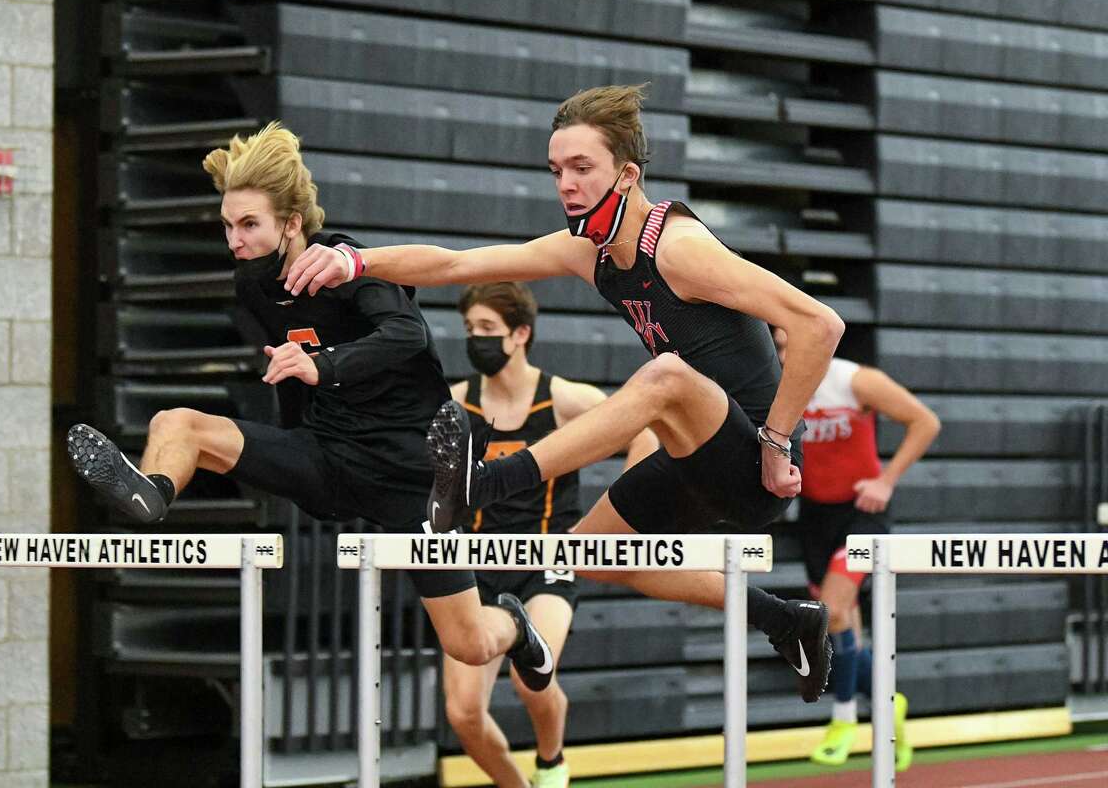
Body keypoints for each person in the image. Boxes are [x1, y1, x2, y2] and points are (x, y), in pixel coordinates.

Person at [283, 84, 845, 702]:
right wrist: (358, 264)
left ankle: (489, 481)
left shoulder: (680, 249)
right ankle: (785, 619)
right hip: (695, 455)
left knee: (668, 376)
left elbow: (819, 324)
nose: (566, 185)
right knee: (592, 556)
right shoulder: (589, 251)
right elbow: (454, 266)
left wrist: (776, 439)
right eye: (556, 170)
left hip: (750, 464)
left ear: (626, 175)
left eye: (582, 168)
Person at [64, 122, 555, 691]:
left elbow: (408, 335)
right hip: (326, 455)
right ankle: (152, 495)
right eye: (227, 225)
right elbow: (288, 376)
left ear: (292, 224)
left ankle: (516, 627)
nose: (235, 241)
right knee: (176, 424)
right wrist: (286, 453)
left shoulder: (348, 267)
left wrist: (322, 365)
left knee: (468, 643)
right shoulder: (253, 286)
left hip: (411, 473)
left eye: (249, 225)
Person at [444, 282, 657, 788]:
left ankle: (551, 758)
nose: (476, 339)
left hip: (548, 563)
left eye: (488, 330)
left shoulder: (564, 399)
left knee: (530, 675)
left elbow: (644, 431)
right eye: (470, 329)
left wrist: (620, 511)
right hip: (477, 568)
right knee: (463, 714)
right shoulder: (456, 405)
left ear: (521, 334)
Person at [773, 329, 940, 770]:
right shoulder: (778, 390)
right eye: (779, 346)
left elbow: (926, 422)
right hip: (815, 518)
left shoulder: (855, 381)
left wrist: (886, 481)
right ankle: (890, 702)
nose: (785, 353)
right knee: (842, 621)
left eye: (792, 343)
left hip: (861, 515)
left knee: (829, 612)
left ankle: (844, 717)